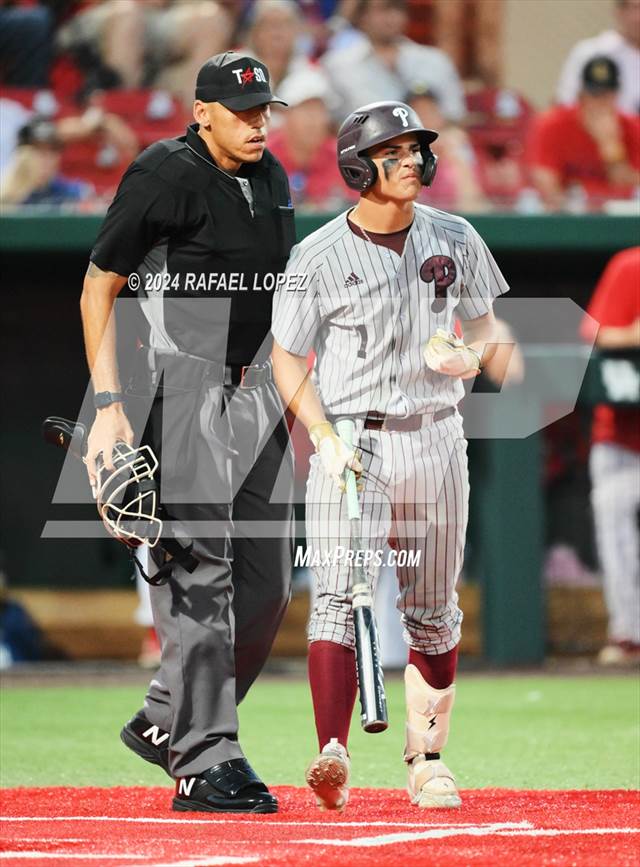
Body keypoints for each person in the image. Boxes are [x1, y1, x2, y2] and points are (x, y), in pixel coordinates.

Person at [271, 100, 508, 810]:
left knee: (433, 609)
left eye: (415, 150)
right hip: (353, 438)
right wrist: (322, 430)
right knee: (338, 600)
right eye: (392, 151)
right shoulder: (314, 254)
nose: (410, 161)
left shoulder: (456, 235)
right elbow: (286, 359)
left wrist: (470, 353)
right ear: (354, 166)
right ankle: (332, 753)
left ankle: (427, 758)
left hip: (436, 432)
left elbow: (489, 328)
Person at [80, 51, 295, 813]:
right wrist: (109, 407)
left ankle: (167, 714)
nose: (258, 122)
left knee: (267, 586)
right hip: (178, 382)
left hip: (255, 387)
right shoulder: (163, 172)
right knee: (197, 575)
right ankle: (204, 760)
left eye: (265, 108)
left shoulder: (271, 177)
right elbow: (98, 283)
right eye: (242, 111)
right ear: (201, 110)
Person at [580, 247, 640, 666]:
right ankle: (628, 634)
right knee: (614, 518)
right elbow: (595, 332)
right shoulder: (630, 265)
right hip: (622, 435)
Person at [321, 0, 466, 123]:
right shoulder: (338, 65)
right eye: (383, 10)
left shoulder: (435, 60)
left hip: (434, 146)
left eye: (398, 9)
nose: (392, 17)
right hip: (367, 150)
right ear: (362, 16)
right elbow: (332, 124)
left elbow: (455, 116)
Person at [528, 56, 640, 210]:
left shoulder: (632, 127)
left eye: (606, 95)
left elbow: (629, 189)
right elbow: (546, 183)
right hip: (569, 216)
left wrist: (611, 146)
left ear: (616, 96)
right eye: (594, 95)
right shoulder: (553, 124)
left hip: (616, 219)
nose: (599, 103)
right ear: (581, 96)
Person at [267, 67, 356, 209]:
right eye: (306, 109)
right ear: (285, 114)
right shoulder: (263, 157)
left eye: (320, 110)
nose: (314, 120)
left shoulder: (343, 159)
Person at [556, 0, 640, 116]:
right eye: (635, 8)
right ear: (619, 12)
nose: (638, 18)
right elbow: (566, 104)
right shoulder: (593, 52)